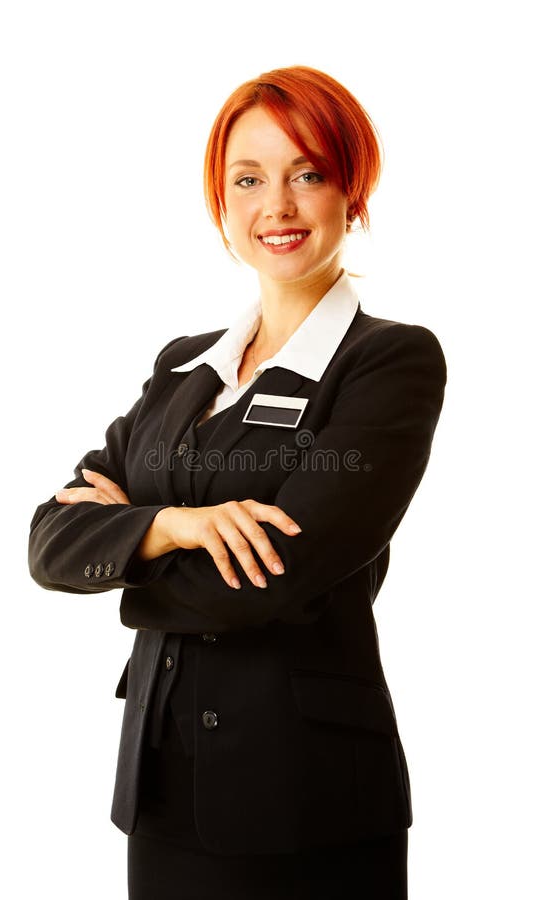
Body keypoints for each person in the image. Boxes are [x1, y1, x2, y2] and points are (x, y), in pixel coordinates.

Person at [28, 65, 447, 899]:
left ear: (352, 189)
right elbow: (50, 539)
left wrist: (130, 533)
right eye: (248, 179)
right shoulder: (184, 365)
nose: (277, 207)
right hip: (161, 784)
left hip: (305, 793)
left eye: (309, 174)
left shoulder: (387, 362)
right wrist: (175, 528)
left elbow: (267, 580)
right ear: (220, 200)